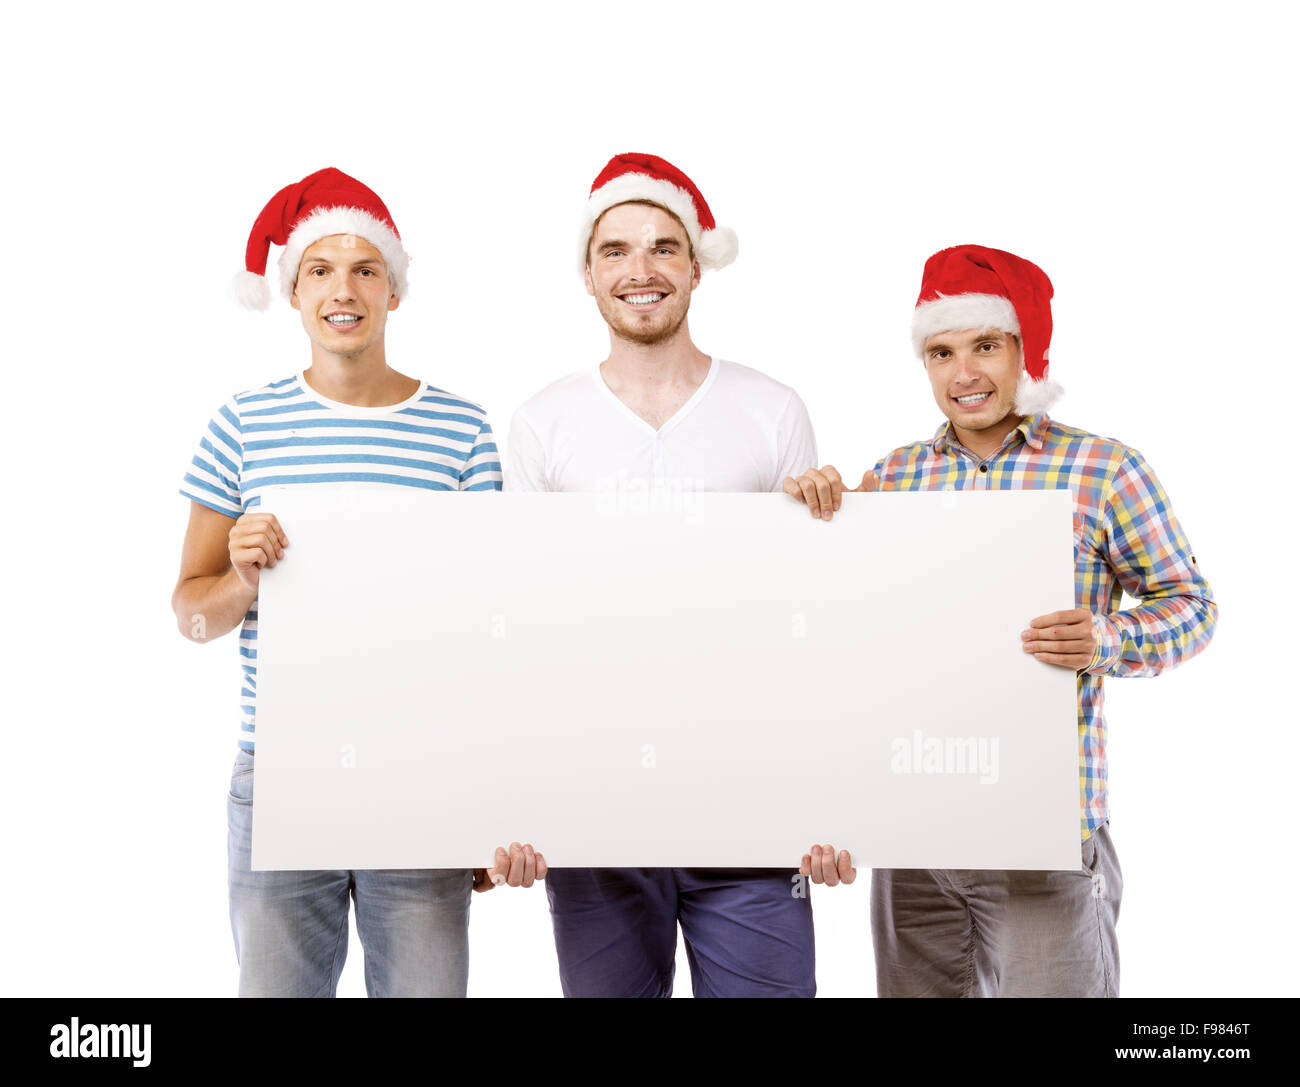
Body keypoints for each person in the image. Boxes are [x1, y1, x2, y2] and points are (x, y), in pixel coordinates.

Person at [784, 244, 1218, 997]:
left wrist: (1106, 638)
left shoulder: (1105, 469)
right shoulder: (892, 478)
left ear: (1029, 350)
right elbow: (844, 643)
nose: (964, 373)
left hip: (1042, 840)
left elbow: (1193, 607)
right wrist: (816, 513)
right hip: (916, 839)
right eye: (941, 352)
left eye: (986, 344)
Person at [171, 167, 503, 997]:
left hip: (419, 772)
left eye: (364, 269)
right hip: (283, 769)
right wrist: (243, 582)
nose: (343, 289)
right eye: (319, 269)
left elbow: (491, 629)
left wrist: (487, 798)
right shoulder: (241, 423)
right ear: (292, 291)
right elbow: (191, 615)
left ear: (394, 290)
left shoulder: (462, 430)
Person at [501, 153, 820, 997]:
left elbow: (811, 624)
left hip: (749, 810)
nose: (639, 269)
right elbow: (525, 627)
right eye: (615, 250)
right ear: (587, 274)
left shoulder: (771, 408)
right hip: (598, 811)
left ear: (694, 266)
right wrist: (517, 802)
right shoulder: (542, 424)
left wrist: (832, 799)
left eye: (661, 246)